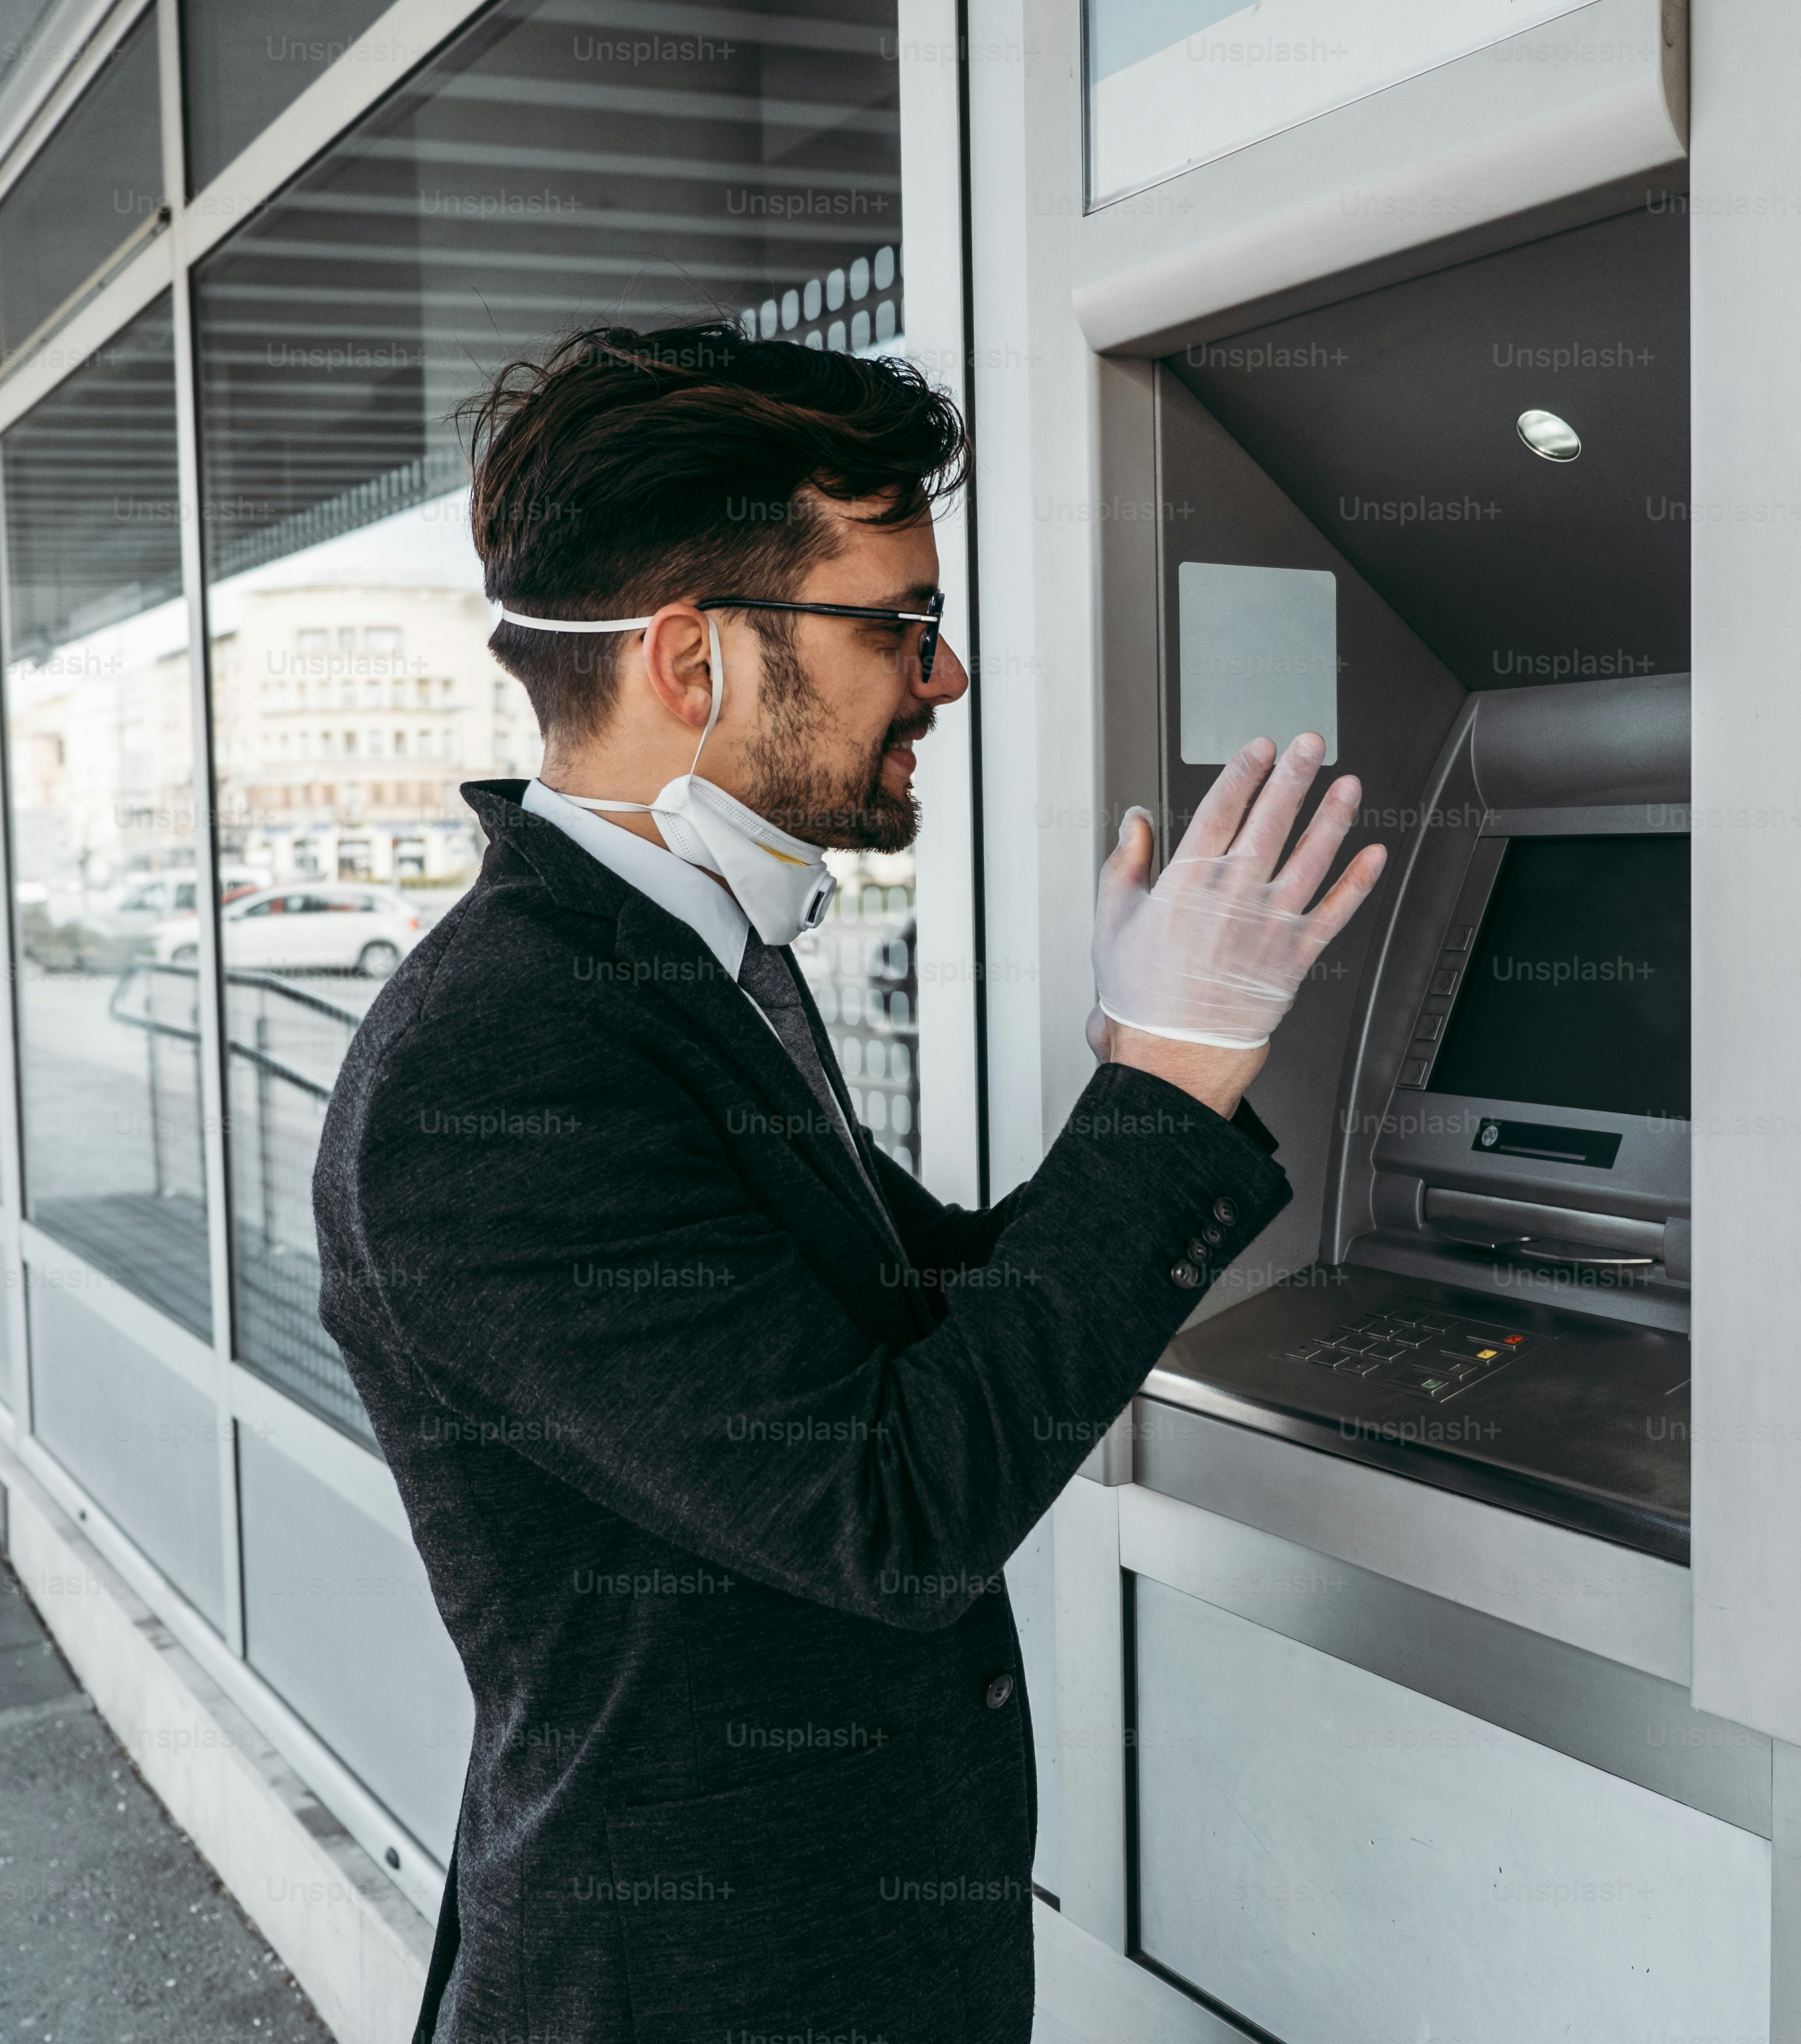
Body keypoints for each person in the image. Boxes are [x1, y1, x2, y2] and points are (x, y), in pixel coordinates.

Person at [311, 320, 1385, 2044]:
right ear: (693, 659)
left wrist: (1144, 1066)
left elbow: (920, 1313)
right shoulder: (497, 1068)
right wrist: (1166, 1084)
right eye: (898, 623)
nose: (942, 677)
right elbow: (885, 1512)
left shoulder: (676, 970)